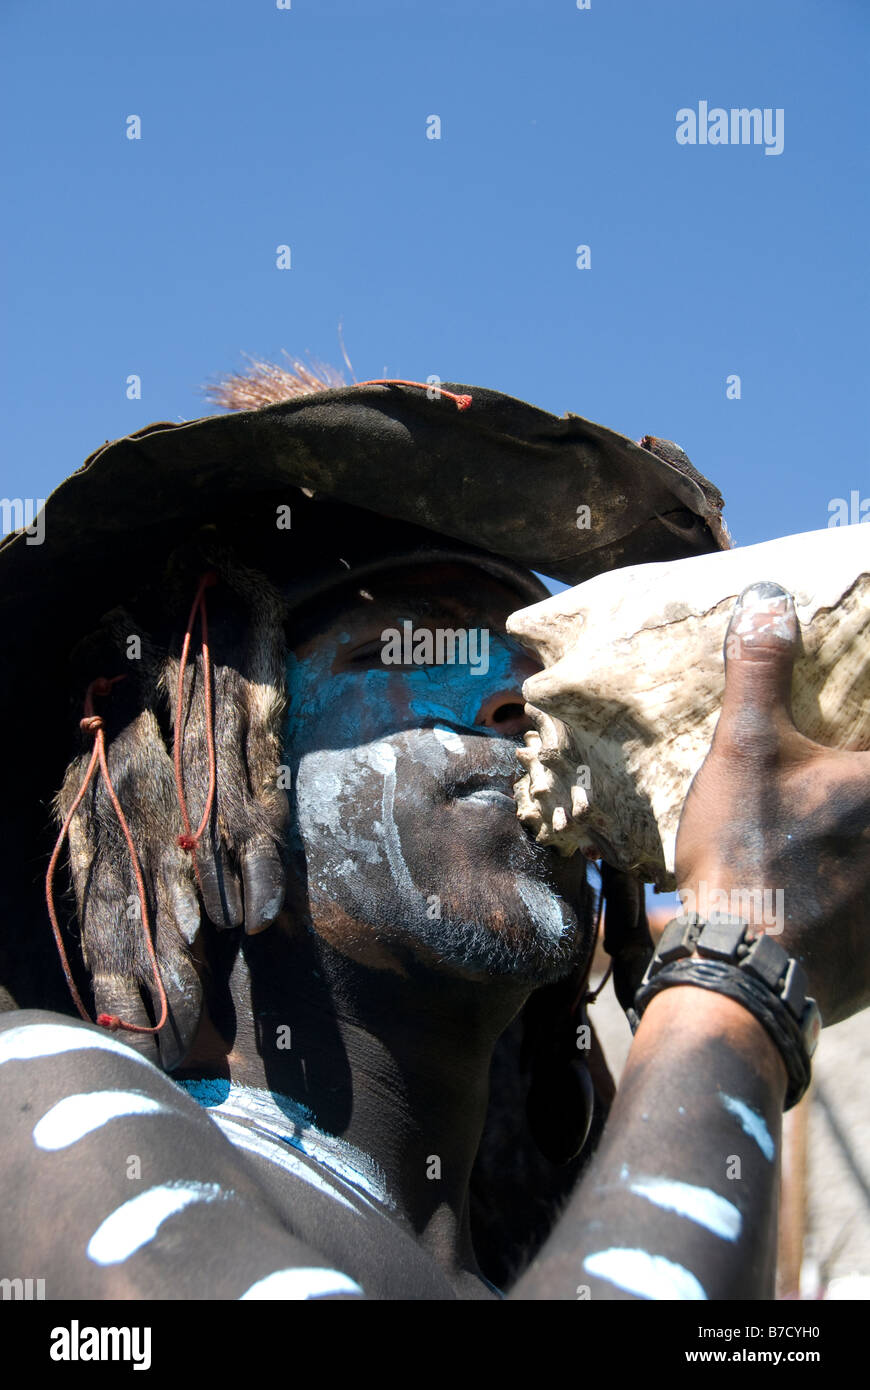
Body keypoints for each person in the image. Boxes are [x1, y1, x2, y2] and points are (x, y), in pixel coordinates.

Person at [1, 373, 866, 1299]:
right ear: (205, 768)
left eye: (545, 675)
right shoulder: (43, 1107)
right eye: (408, 648)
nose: (521, 705)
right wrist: (740, 971)